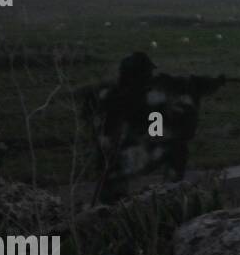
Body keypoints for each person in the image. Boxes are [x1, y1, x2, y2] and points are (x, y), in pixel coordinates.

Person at [81, 51, 229, 200]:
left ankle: (113, 197)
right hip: (123, 160)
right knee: (177, 149)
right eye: (147, 73)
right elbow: (157, 134)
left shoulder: (108, 94)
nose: (150, 77)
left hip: (107, 162)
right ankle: (170, 193)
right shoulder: (140, 98)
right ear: (140, 75)